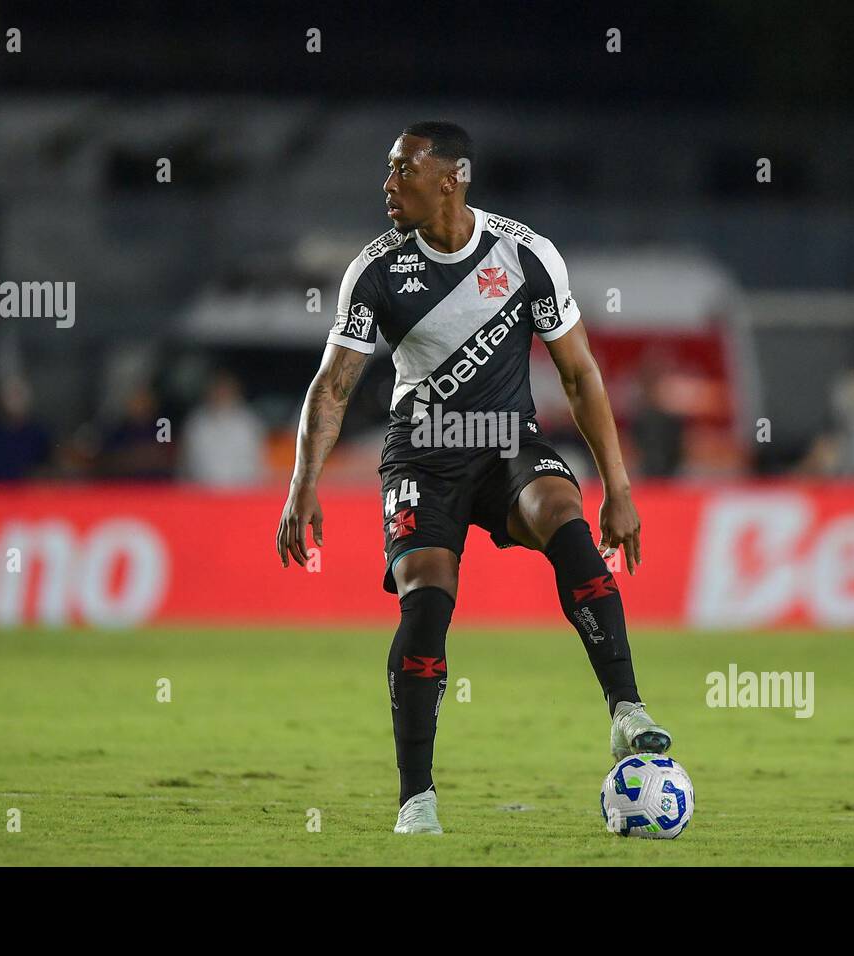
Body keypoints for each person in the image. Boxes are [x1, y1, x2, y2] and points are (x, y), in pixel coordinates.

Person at [274, 121, 670, 834]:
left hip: (505, 444)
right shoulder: (377, 270)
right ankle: (416, 800)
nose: (389, 184)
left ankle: (626, 710)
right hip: (422, 455)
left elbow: (579, 373)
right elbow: (332, 386)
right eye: (390, 171)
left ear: (451, 178)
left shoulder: (525, 254)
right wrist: (303, 485)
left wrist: (619, 485)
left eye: (404, 170)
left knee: (563, 513)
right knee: (428, 597)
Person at [179, 372, 265, 487]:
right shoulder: (196, 424)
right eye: (218, 389)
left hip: (243, 493)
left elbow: (259, 465)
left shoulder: (248, 423)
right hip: (202, 494)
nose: (221, 394)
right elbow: (186, 466)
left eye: (225, 390)